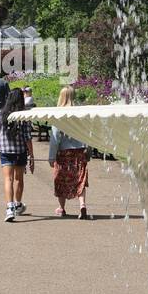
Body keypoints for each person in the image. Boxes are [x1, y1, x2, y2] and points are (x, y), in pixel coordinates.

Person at [48, 86, 90, 218]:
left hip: (64, 153)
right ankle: (82, 204)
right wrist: (88, 151)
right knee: (80, 178)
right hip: (79, 151)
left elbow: (55, 137)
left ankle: (61, 208)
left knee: (61, 179)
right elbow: (88, 133)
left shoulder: (58, 114)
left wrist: (51, 156)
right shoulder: (81, 113)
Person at [0, 88, 33, 221]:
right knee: (19, 179)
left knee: (8, 179)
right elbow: (27, 137)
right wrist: (31, 155)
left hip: (5, 149)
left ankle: (9, 208)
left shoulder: (2, 113)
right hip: (20, 150)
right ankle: (18, 204)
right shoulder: (24, 115)